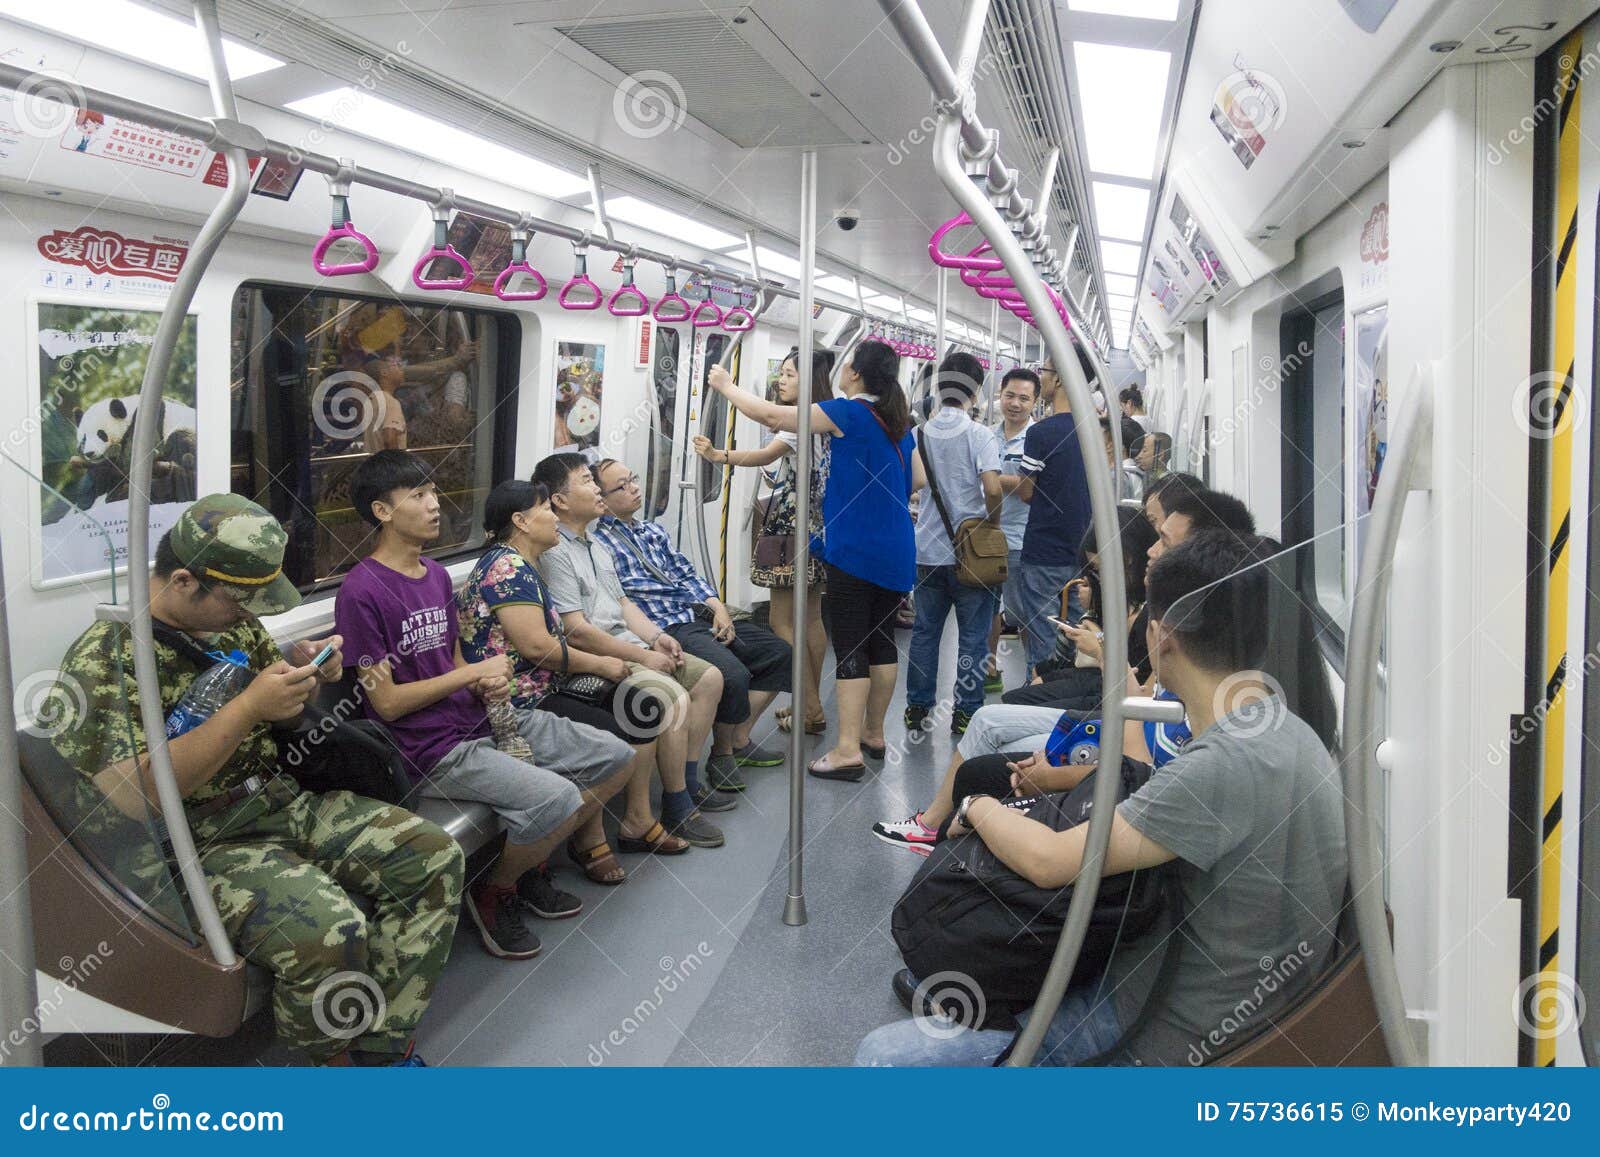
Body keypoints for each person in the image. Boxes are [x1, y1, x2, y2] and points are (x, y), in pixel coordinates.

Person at [856, 531, 1347, 1065]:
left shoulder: (1224, 766)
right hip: (1218, 984)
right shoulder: (1281, 728)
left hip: (1168, 1022)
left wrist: (976, 805)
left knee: (881, 1057)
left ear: (1161, 637)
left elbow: (1048, 862)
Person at [46, 494, 464, 1066]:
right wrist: (246, 709)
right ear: (186, 582)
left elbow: (286, 717)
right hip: (190, 843)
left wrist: (305, 681)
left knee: (433, 856)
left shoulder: (231, 630)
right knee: (328, 932)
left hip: (273, 801)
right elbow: (135, 799)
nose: (250, 617)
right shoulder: (104, 661)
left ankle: (379, 1051)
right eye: (240, 602)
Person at [335, 451, 632, 961]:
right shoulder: (361, 592)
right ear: (383, 512)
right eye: (419, 496)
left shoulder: (432, 576)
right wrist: (472, 673)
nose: (435, 505)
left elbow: (449, 657)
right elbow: (383, 704)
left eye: (433, 493)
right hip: (424, 746)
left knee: (614, 755)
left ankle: (525, 867)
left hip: (475, 719)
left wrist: (479, 687)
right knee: (556, 798)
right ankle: (495, 890)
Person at [457, 481, 723, 867]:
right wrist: (604, 665)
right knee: (630, 719)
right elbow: (537, 648)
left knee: (642, 708)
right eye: (546, 509)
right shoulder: (508, 568)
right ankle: (585, 838)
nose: (554, 518)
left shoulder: (522, 564)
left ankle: (632, 821)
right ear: (520, 521)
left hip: (540, 684)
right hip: (520, 697)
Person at [705, 341, 915, 781]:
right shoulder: (897, 422)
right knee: (881, 642)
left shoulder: (848, 412)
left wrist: (725, 386)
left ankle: (845, 751)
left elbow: (772, 417)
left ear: (855, 374)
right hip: (896, 547)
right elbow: (915, 480)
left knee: (851, 644)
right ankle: (874, 734)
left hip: (856, 550)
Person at [531, 454, 733, 810]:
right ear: (559, 501)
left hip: (630, 641)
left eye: (595, 482)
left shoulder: (596, 545)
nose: (596, 489)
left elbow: (624, 604)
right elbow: (576, 631)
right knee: (673, 699)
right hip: (602, 654)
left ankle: (687, 781)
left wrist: (657, 637)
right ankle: (673, 806)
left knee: (711, 679)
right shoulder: (556, 552)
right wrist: (643, 655)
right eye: (586, 481)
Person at [586, 455, 793, 789]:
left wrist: (718, 607)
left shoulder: (653, 530)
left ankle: (739, 739)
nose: (634, 489)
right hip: (665, 625)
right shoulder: (600, 544)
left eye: (634, 479)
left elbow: (687, 574)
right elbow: (620, 603)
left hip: (696, 614)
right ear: (603, 500)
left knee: (779, 652)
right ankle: (721, 754)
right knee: (733, 674)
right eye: (621, 487)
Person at [692, 347, 833, 736]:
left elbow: (762, 456)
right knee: (813, 618)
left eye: (789, 375)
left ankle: (810, 705)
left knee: (780, 619)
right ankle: (810, 702)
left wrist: (717, 454)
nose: (781, 381)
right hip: (820, 526)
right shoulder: (830, 416)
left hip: (788, 525)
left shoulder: (799, 418)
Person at [905, 351, 1003, 736]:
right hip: (973, 555)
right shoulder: (981, 435)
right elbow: (993, 487)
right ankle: (965, 711)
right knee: (973, 637)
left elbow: (914, 486)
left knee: (926, 632)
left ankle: (917, 708)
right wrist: (990, 523)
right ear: (975, 391)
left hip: (928, 550)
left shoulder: (919, 434)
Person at [1012, 355, 1093, 677]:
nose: (1041, 378)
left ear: (1059, 378)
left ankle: (1040, 697)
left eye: (1043, 371)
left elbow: (1026, 491)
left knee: (1043, 636)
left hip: (1045, 548)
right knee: (1077, 632)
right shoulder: (1097, 429)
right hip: (1086, 549)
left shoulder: (1041, 434)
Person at [984, 367, 1039, 691]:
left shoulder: (1037, 440)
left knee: (1023, 612)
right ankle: (990, 666)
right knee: (989, 607)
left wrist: (989, 478)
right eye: (1009, 396)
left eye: (1023, 398)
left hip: (1021, 536)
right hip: (987, 537)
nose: (1015, 404)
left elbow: (1027, 487)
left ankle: (1034, 675)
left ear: (1034, 402)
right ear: (999, 396)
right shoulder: (986, 435)